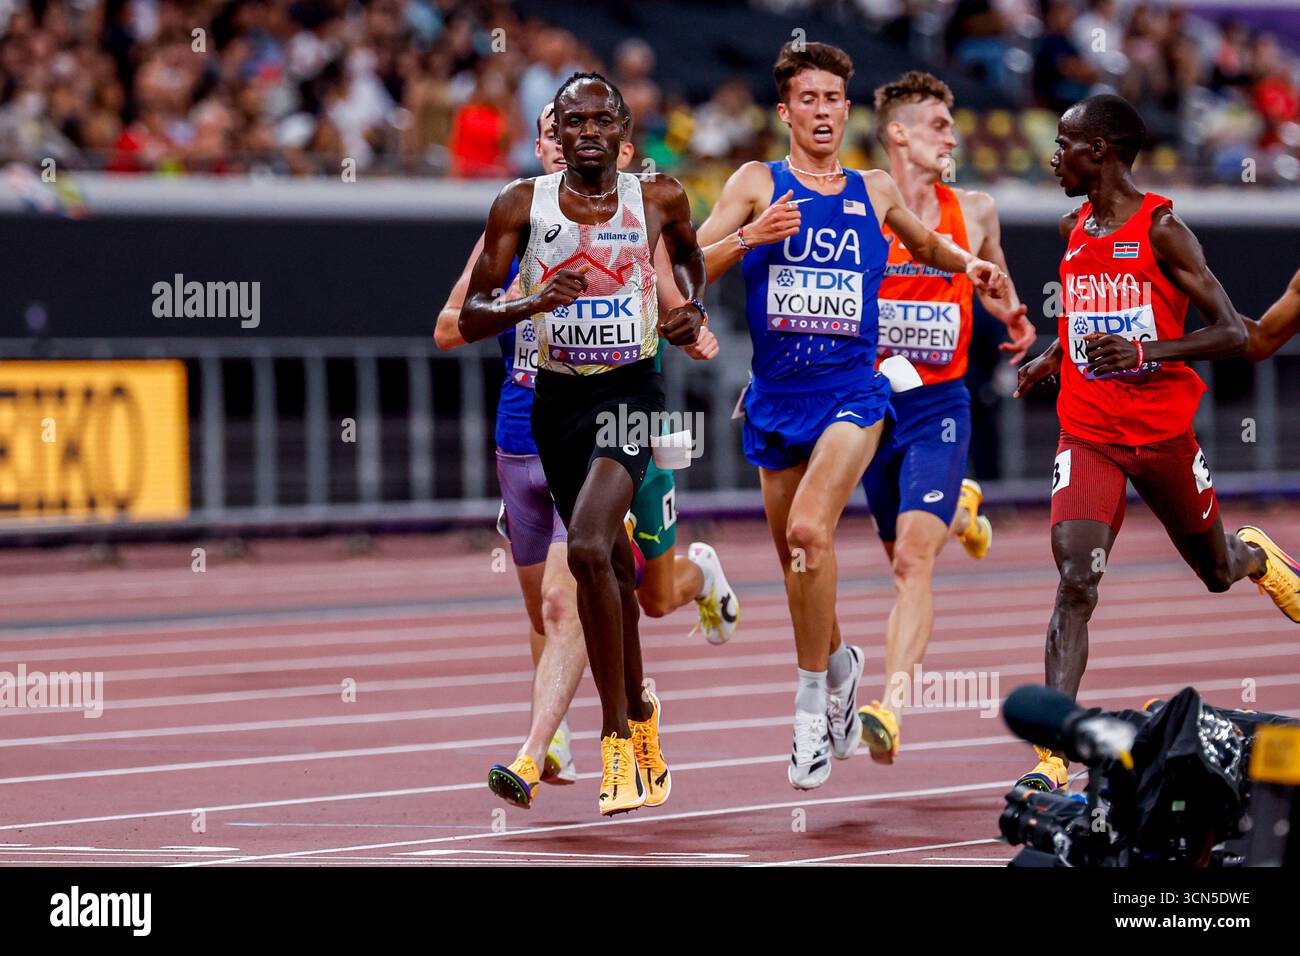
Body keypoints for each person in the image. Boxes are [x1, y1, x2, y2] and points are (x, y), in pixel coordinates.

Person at [695, 41, 1008, 790]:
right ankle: (839, 667)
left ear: (847, 108)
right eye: (809, 100)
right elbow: (682, 266)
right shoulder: (754, 183)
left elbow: (926, 240)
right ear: (786, 112)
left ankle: (809, 712)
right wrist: (749, 238)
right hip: (774, 401)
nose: (824, 111)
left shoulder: (870, 189)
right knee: (799, 566)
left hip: (853, 395)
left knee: (810, 532)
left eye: (834, 99)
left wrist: (968, 266)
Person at [436, 102, 738, 811]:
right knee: (602, 576)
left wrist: (687, 312)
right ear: (556, 139)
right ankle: (639, 720)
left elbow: (690, 265)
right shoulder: (518, 204)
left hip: (632, 393)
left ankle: (612, 744)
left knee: (594, 547)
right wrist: (532, 303)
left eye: (603, 118)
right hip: (555, 404)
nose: (588, 131)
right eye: (574, 121)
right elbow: (469, 317)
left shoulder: (659, 196)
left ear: (623, 137)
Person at [1012, 94, 1300, 792]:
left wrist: (1145, 351)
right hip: (1088, 432)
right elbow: (1089, 310)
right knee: (1076, 580)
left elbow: (1236, 334)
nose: (1054, 157)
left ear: (1102, 152)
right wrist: (1059, 353)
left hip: (1162, 434)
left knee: (1214, 571)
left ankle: (1255, 555)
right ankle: (1053, 754)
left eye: (1065, 143)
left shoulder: (1165, 229)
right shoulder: (1071, 224)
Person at [853, 71, 1036, 764]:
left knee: (910, 561)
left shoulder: (977, 208)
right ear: (898, 133)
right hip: (870, 407)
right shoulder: (863, 203)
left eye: (953, 124)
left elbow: (993, 273)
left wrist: (1014, 315)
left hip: (938, 404)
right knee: (897, 542)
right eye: (937, 124)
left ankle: (891, 707)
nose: (952, 136)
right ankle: (962, 510)